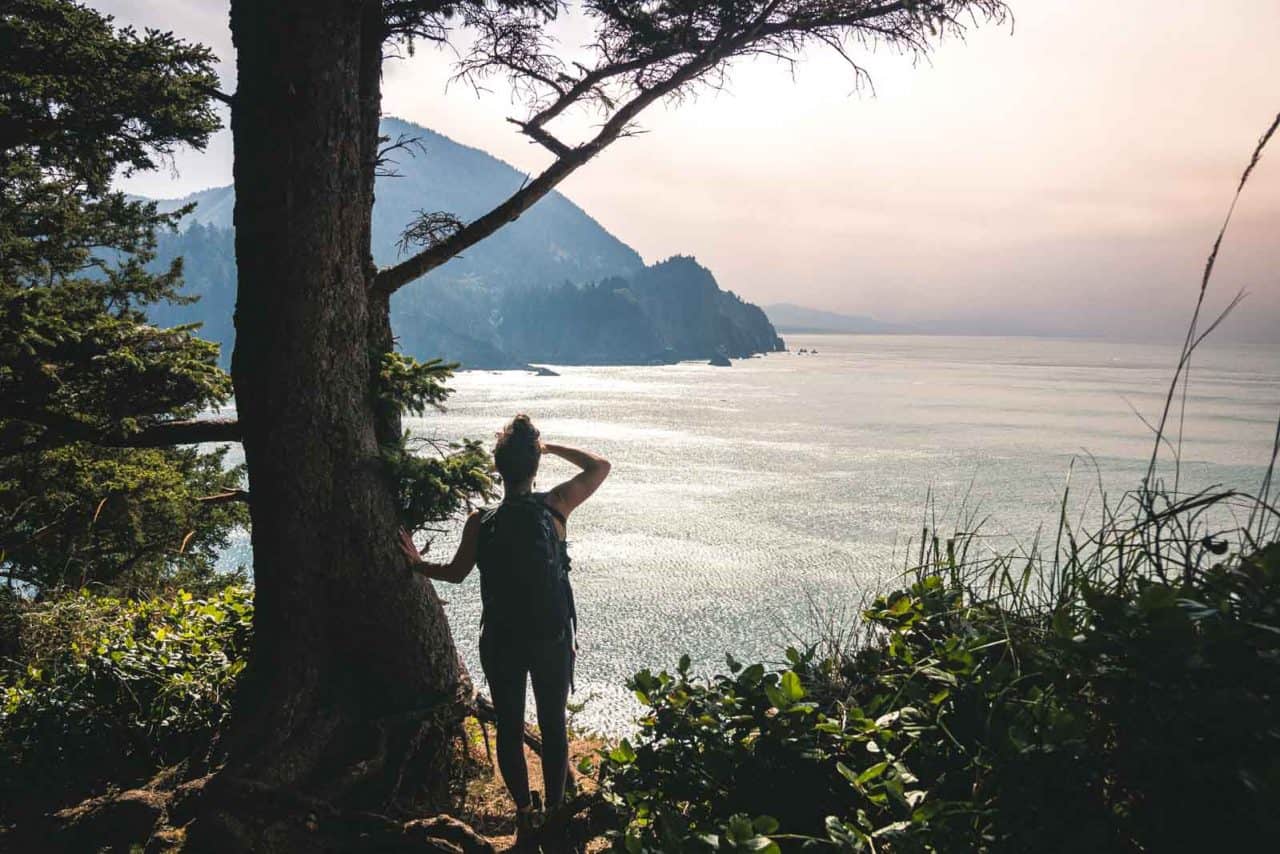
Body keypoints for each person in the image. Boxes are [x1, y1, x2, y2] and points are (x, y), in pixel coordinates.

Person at [397, 414, 610, 847]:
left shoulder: (482, 520)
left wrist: (417, 562)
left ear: (498, 468)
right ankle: (555, 814)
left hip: (502, 640)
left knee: (509, 729)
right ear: (533, 466)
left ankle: (525, 815)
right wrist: (550, 448)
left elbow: (457, 574)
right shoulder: (555, 507)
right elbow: (599, 466)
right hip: (551, 637)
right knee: (553, 727)